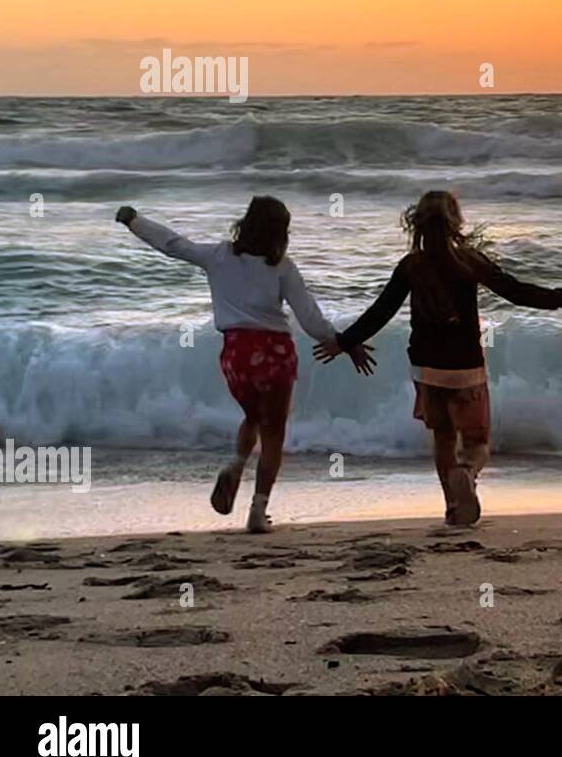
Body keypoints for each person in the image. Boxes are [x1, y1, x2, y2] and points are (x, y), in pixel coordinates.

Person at [315, 190, 562, 525]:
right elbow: (516, 291)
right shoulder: (470, 260)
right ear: (455, 222)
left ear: (416, 223)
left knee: (443, 438)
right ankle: (467, 474)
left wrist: (346, 341)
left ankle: (453, 506)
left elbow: (381, 311)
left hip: (426, 368)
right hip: (466, 368)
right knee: (477, 441)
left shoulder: (411, 266)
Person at [116, 197, 371, 533]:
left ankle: (236, 465)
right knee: (274, 433)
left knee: (253, 417)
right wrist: (344, 342)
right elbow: (309, 318)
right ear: (281, 232)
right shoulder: (282, 267)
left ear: (246, 223)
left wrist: (134, 220)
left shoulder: (220, 257)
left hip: (236, 355)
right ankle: (257, 510)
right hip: (275, 354)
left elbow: (174, 245)